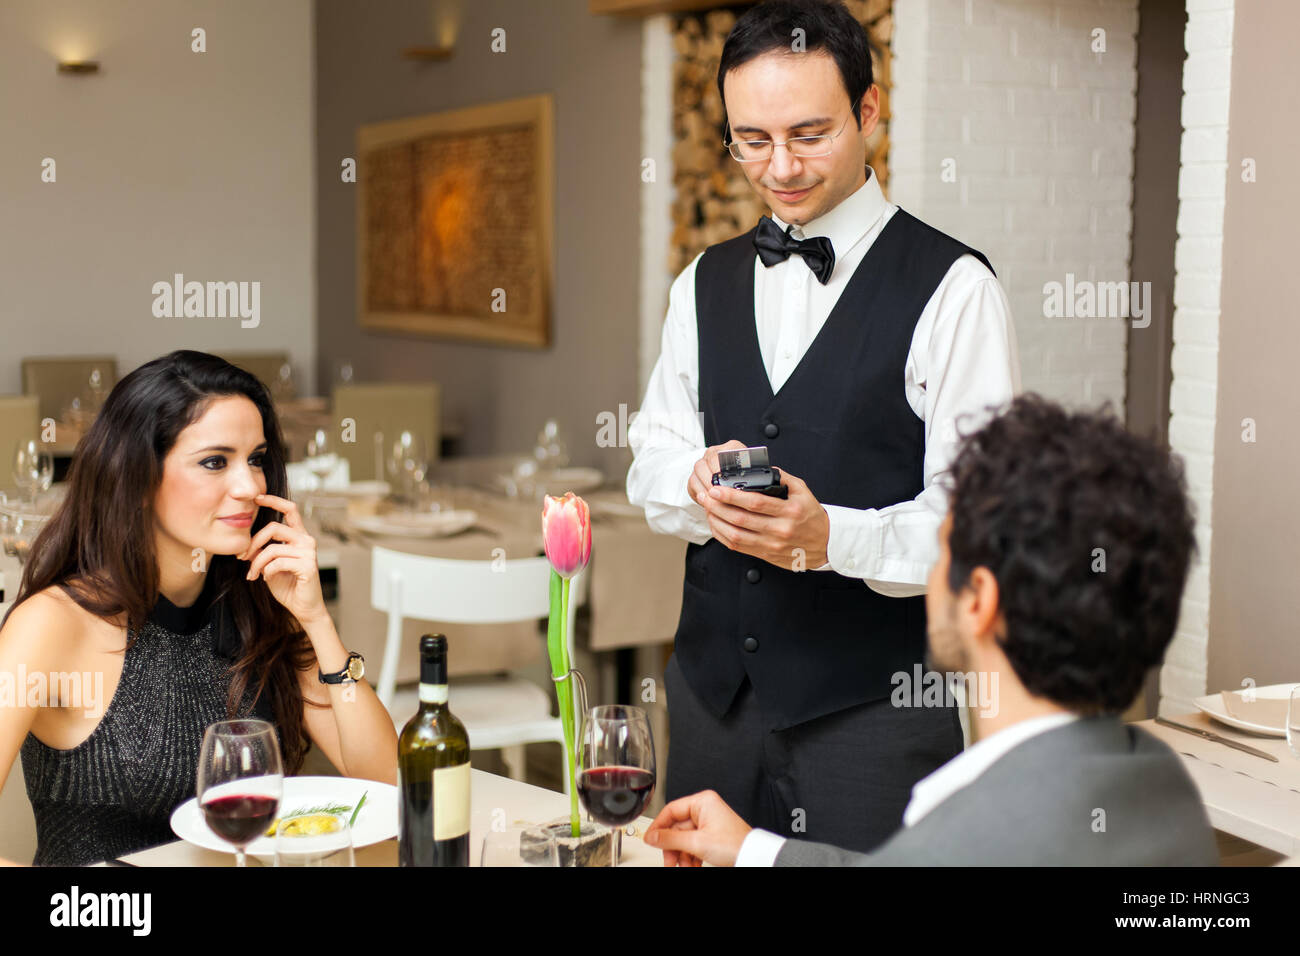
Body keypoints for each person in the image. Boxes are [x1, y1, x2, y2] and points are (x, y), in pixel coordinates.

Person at [627, 0, 1019, 852]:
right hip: (709, 703)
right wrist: (692, 482)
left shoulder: (955, 291)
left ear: (868, 112)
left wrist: (828, 537)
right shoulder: (702, 283)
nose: (780, 167)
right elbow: (649, 460)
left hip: (873, 716)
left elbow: (977, 530)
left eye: (810, 134)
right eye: (752, 140)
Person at [643, 395, 1219, 866]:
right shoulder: (1164, 786)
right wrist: (754, 852)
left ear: (980, 602)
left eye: (941, 551)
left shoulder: (973, 827)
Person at [0, 350, 397, 866]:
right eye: (215, 461)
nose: (250, 486)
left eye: (256, 458)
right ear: (137, 479)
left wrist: (317, 622)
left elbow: (388, 789)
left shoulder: (257, 605)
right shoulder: (53, 623)